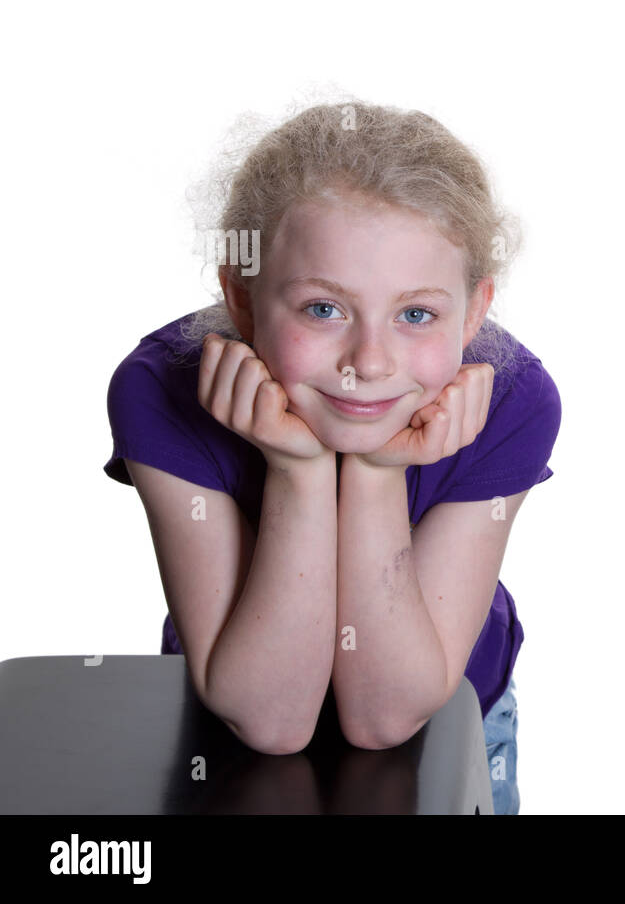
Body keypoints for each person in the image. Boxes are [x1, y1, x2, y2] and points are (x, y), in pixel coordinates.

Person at [104, 101, 561, 815]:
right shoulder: (158, 389)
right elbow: (269, 720)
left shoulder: (515, 401)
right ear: (243, 298)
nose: (369, 364)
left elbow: (388, 718)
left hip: (441, 707)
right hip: (237, 710)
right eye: (324, 309)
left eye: (417, 314)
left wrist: (378, 473)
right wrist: (299, 471)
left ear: (474, 314)